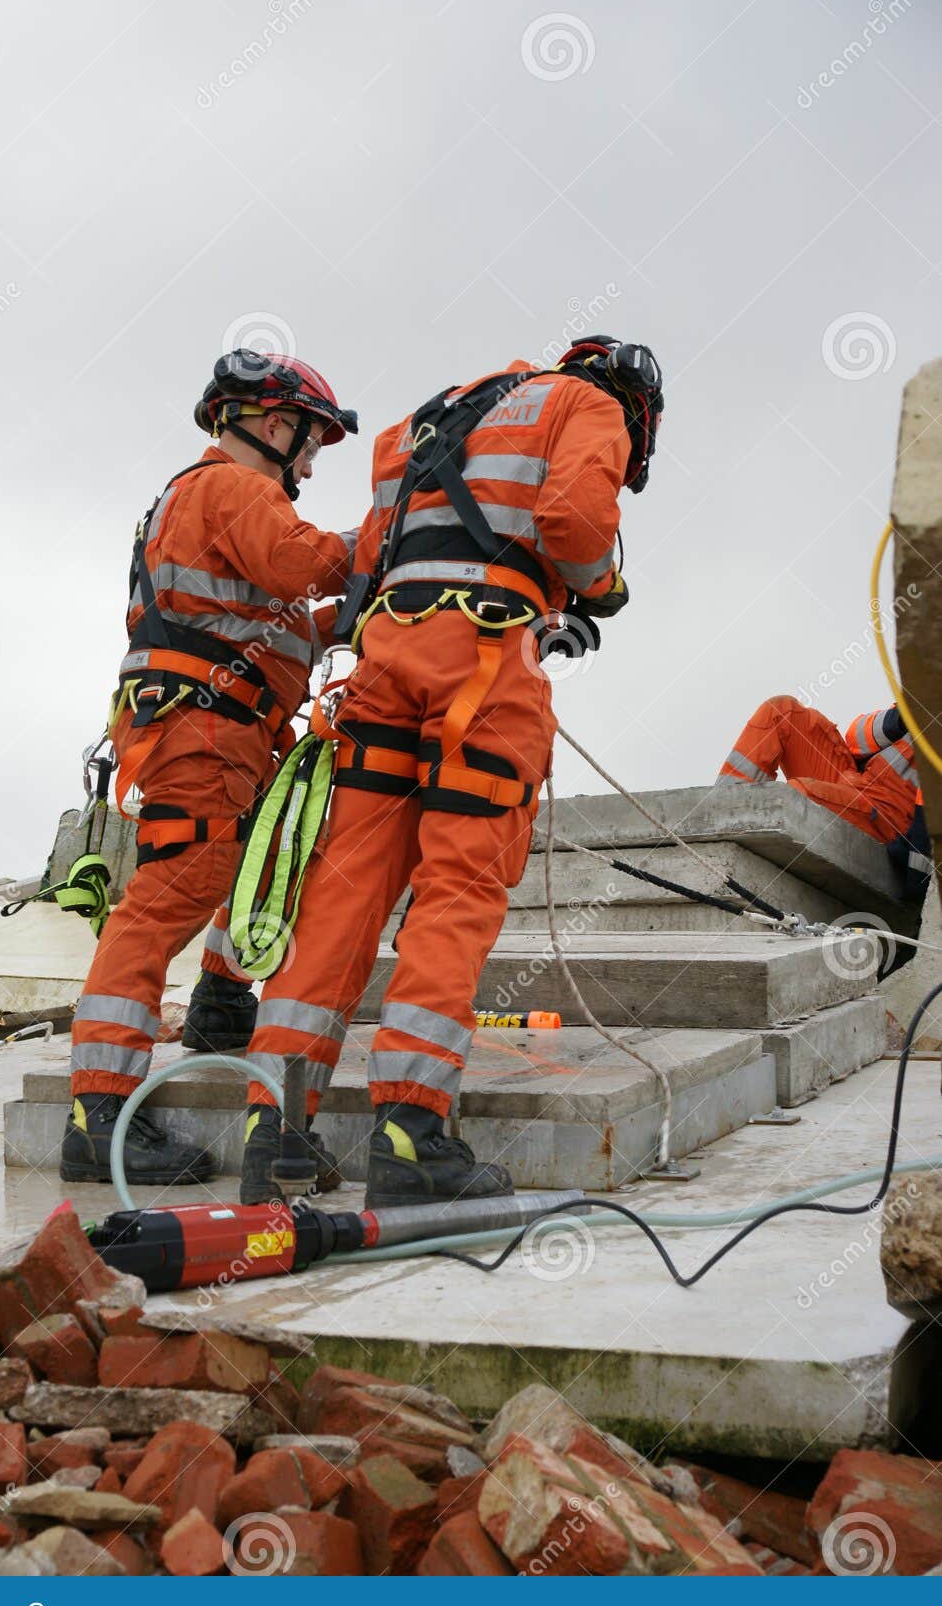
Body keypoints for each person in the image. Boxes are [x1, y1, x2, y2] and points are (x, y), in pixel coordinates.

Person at [235, 335, 663, 1207]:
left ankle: (272, 1133)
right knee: (458, 888)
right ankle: (409, 1135)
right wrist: (602, 586)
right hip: (481, 661)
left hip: (384, 660)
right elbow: (575, 527)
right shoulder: (591, 406)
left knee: (339, 894)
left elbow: (370, 556)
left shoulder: (422, 422)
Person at [61, 348, 358, 1185]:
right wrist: (398, 533)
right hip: (203, 726)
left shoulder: (202, 499)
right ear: (271, 423)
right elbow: (304, 564)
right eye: (309, 444)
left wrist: (354, 616)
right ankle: (98, 1115)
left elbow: (279, 614)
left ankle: (222, 1007)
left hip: (221, 724)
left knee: (252, 863)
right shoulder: (232, 488)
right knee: (167, 898)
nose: (308, 462)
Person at [717, 696, 921, 848]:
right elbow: (855, 740)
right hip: (853, 781)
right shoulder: (926, 702)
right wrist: (900, 717)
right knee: (780, 711)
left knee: (794, 797)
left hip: (885, 819)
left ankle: (745, 828)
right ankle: (722, 809)